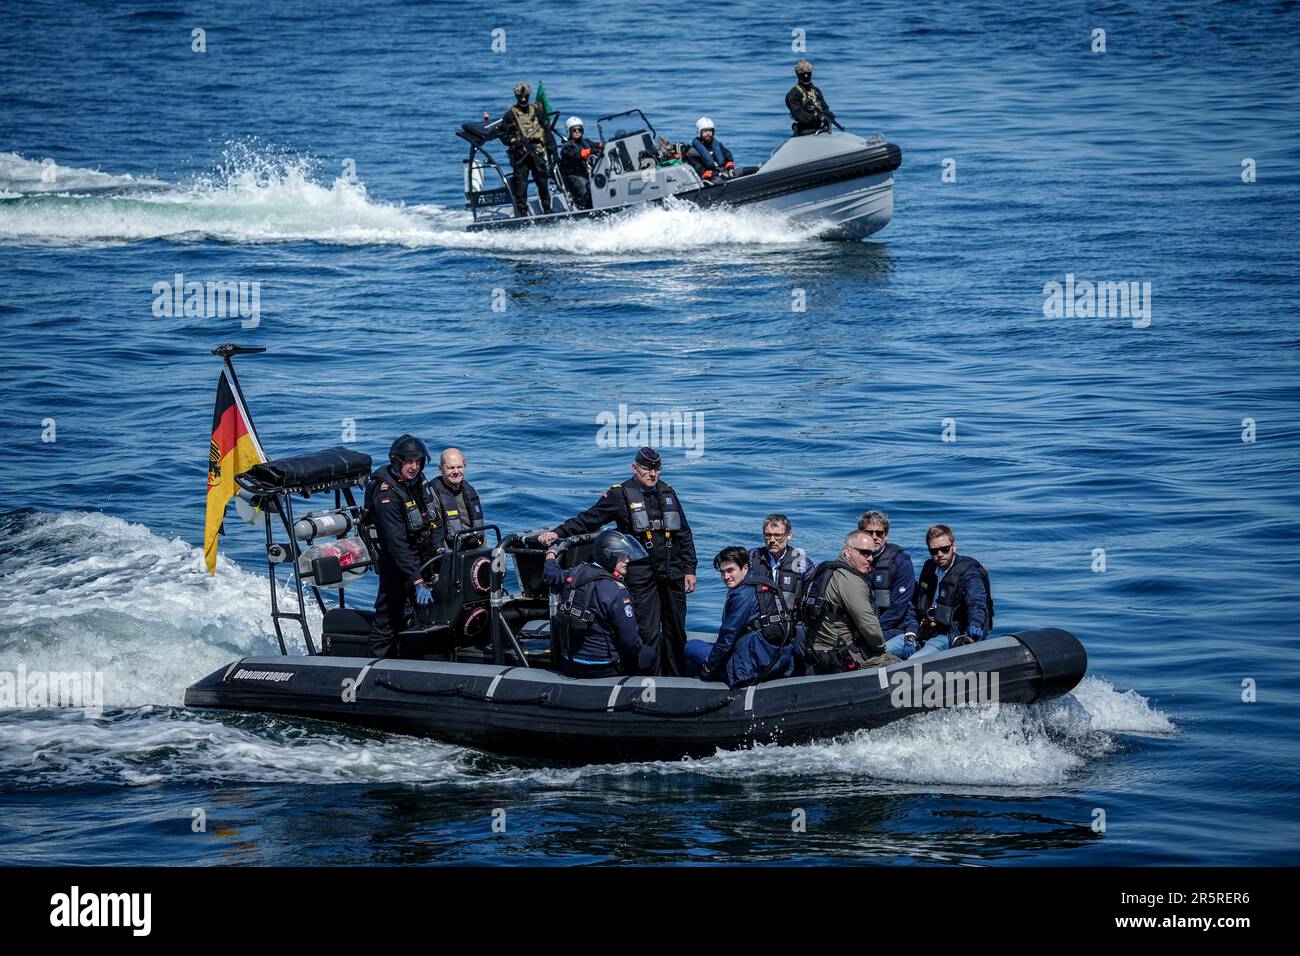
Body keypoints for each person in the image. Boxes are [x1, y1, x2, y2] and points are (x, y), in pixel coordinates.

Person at [537, 447, 697, 676]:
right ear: (635, 468)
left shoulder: (668, 493)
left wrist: (690, 569)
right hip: (642, 575)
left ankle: (676, 679)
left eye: (657, 470)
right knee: (647, 631)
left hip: (672, 573)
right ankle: (645, 680)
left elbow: (684, 534)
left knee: (676, 630)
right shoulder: (620, 494)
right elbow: (589, 520)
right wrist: (558, 532)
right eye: (647, 470)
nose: (653, 474)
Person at [364, 434, 440, 658]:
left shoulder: (418, 484)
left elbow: (434, 521)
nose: (414, 467)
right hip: (396, 566)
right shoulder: (387, 494)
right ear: (397, 461)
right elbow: (396, 543)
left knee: (419, 618)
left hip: (422, 560)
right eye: (409, 461)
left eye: (418, 461)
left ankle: (411, 661)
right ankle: (371, 668)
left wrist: (438, 550)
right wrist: (416, 580)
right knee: (388, 618)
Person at [543, 529, 655, 678]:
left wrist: (551, 554)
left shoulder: (574, 573)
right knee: (650, 655)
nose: (627, 560)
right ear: (608, 556)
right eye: (622, 556)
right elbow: (630, 641)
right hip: (604, 667)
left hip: (570, 662)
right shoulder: (617, 591)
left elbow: (551, 575)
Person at [685, 547, 799, 687]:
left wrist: (709, 668)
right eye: (722, 572)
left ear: (745, 567)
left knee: (691, 646)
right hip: (779, 660)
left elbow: (728, 636)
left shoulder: (742, 594)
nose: (726, 577)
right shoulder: (765, 582)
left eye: (730, 570)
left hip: (750, 670)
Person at [802, 530, 898, 673]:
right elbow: (870, 627)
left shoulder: (826, 569)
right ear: (847, 552)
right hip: (841, 655)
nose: (870, 558)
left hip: (815, 648)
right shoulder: (851, 581)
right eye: (864, 553)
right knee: (897, 663)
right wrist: (880, 648)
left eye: (872, 554)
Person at [910, 524, 993, 659]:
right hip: (929, 629)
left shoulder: (969, 573)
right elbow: (917, 602)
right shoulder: (929, 568)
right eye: (934, 551)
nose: (940, 554)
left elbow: (977, 603)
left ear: (954, 546)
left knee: (914, 660)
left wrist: (975, 624)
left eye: (945, 549)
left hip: (951, 633)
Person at [852, 509, 920, 657]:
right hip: (862, 624)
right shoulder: (852, 560)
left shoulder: (901, 563)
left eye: (879, 533)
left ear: (886, 536)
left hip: (892, 626)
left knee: (861, 655)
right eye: (869, 533)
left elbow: (899, 608)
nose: (875, 537)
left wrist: (870, 631)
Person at [497, 81, 554, 218]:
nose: (523, 100)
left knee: (542, 182)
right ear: (516, 97)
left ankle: (547, 209)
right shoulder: (510, 115)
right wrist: (514, 141)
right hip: (521, 154)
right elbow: (502, 134)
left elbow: (547, 132)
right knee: (521, 185)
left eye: (525, 97)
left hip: (537, 151)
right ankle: (521, 214)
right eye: (520, 97)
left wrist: (553, 152)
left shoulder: (537, 112)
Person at [747, 513, 814, 614]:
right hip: (758, 621)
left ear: (789, 535)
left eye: (778, 535)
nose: (772, 540)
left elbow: (811, 600)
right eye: (768, 535)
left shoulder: (802, 564)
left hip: (790, 623)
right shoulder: (752, 558)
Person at [427, 447, 485, 551]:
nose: (456, 471)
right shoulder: (433, 494)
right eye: (450, 468)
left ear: (465, 467)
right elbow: (437, 531)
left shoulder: (471, 491)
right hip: (450, 552)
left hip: (473, 550)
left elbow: (481, 530)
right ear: (440, 469)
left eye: (459, 467)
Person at [558, 116, 603, 211]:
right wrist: (591, 151)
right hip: (574, 176)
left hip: (587, 173)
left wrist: (603, 145)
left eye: (580, 129)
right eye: (574, 130)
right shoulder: (567, 147)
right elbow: (578, 154)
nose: (577, 132)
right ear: (569, 131)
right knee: (587, 191)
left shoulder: (586, 142)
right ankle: (588, 211)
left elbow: (597, 145)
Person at [786, 60, 837, 136]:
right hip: (804, 133)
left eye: (808, 73)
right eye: (803, 74)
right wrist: (816, 116)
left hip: (820, 130)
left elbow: (825, 108)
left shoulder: (816, 91)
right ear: (798, 74)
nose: (806, 76)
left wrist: (828, 116)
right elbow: (800, 115)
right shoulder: (793, 95)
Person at [684, 117, 735, 181]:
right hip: (710, 178)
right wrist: (718, 174)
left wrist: (731, 169)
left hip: (725, 172)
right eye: (705, 131)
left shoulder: (717, 145)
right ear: (699, 132)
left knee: (749, 170)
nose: (708, 133)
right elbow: (701, 172)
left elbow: (729, 158)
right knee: (719, 181)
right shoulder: (693, 152)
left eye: (710, 131)